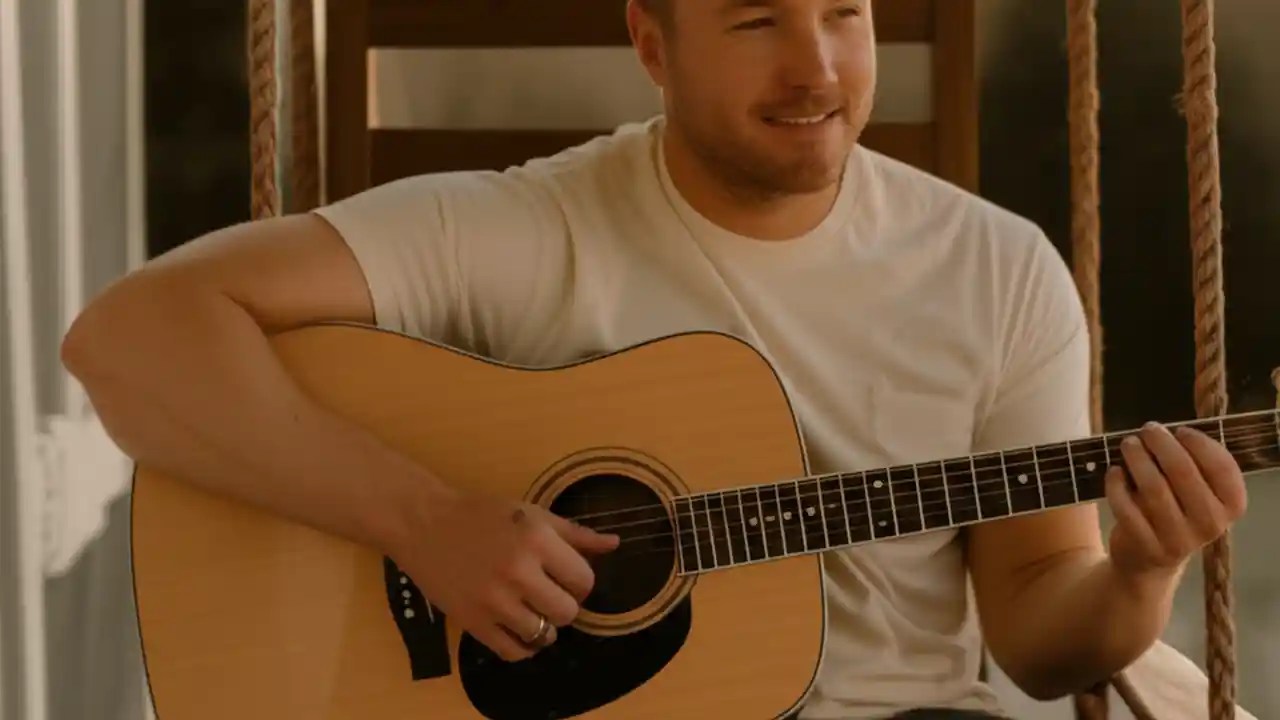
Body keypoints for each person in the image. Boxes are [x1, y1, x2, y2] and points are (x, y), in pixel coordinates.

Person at [61, 0, 1247, 718]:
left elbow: (1038, 643)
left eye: (843, 14)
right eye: (754, 21)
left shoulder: (997, 268)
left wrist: (1140, 572)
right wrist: (423, 521)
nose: (816, 70)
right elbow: (126, 338)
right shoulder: (533, 229)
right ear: (651, 44)